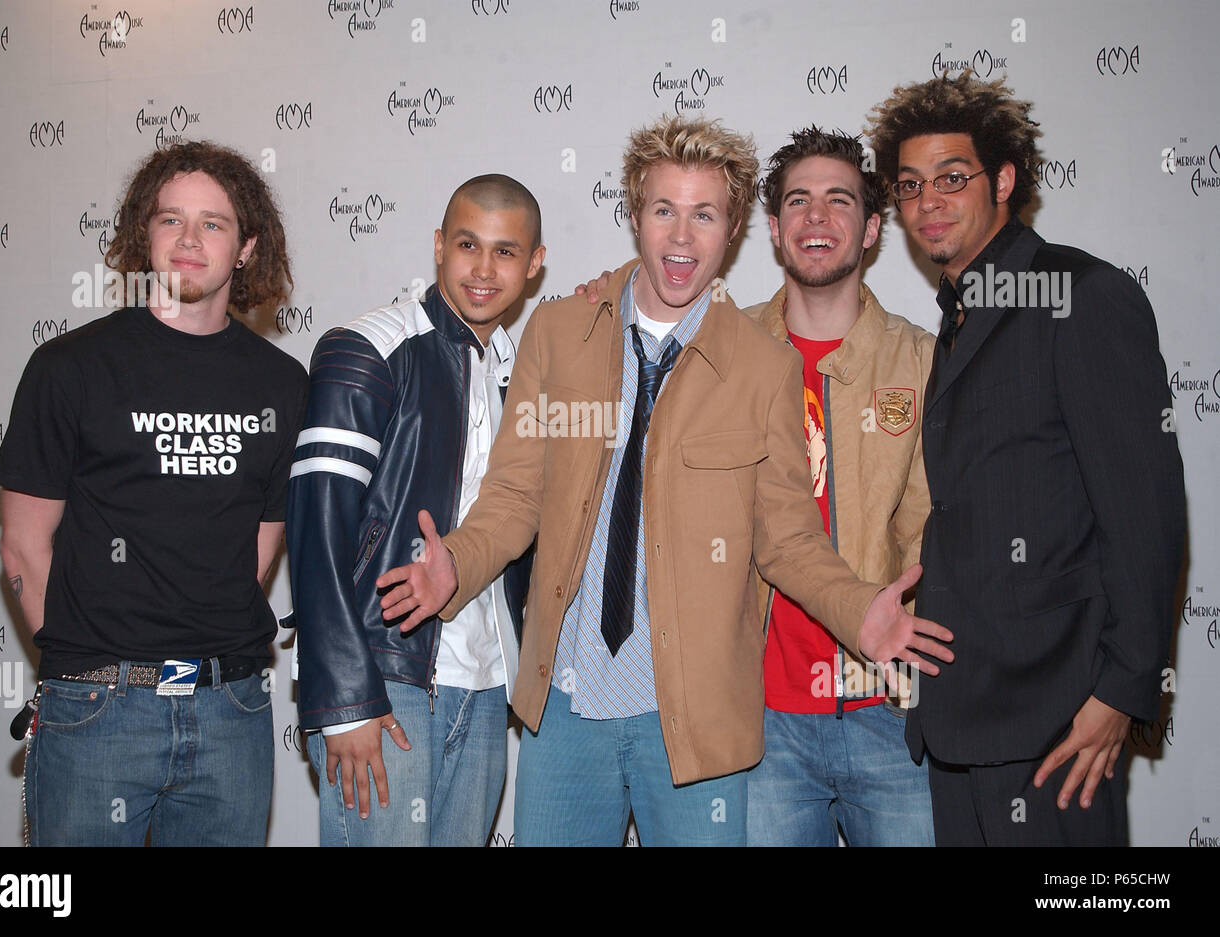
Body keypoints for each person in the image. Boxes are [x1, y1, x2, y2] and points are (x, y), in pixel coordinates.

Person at [376, 116, 953, 846]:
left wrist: (857, 609)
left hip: (695, 726)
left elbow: (786, 538)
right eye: (664, 211)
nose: (682, 239)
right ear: (636, 217)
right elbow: (516, 498)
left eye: (704, 214)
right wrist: (455, 562)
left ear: (735, 228)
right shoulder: (558, 334)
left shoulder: (761, 366)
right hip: (565, 716)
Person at [865, 72, 1186, 845]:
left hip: (1056, 720)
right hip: (959, 718)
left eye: (951, 178)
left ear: (1004, 178)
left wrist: (1120, 692)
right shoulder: (958, 316)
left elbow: (1146, 516)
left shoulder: (1080, 295)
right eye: (910, 186)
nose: (927, 202)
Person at [0, 141, 308, 846]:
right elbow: (22, 541)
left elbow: (256, 549)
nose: (189, 240)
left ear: (247, 245)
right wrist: (87, 668)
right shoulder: (68, 367)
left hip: (231, 707)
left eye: (214, 223)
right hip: (96, 710)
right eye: (171, 220)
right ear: (145, 234)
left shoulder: (283, 385)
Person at [287, 175, 544, 846]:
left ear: (535, 264)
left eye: (506, 252)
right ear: (438, 246)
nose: (484, 270)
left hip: (485, 689)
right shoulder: (368, 348)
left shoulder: (522, 372)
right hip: (385, 677)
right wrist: (344, 700)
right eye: (467, 245)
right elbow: (315, 532)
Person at [741, 126, 936, 846]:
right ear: (772, 227)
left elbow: (938, 530)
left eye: (838, 201)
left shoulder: (924, 361)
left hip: (887, 710)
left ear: (873, 228)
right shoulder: (723, 354)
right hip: (761, 727)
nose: (816, 218)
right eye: (798, 201)